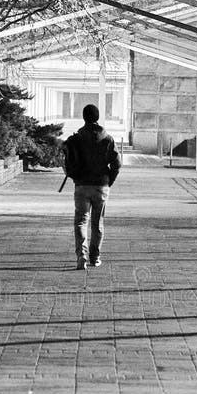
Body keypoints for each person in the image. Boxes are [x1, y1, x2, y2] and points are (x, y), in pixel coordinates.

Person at [63, 104, 121, 270]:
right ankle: (95, 258)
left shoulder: (76, 139)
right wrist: (110, 180)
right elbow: (117, 164)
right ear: (97, 117)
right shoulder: (107, 139)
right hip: (101, 186)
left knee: (81, 221)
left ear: (84, 117)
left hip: (81, 185)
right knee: (97, 222)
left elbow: (67, 161)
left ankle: (81, 256)